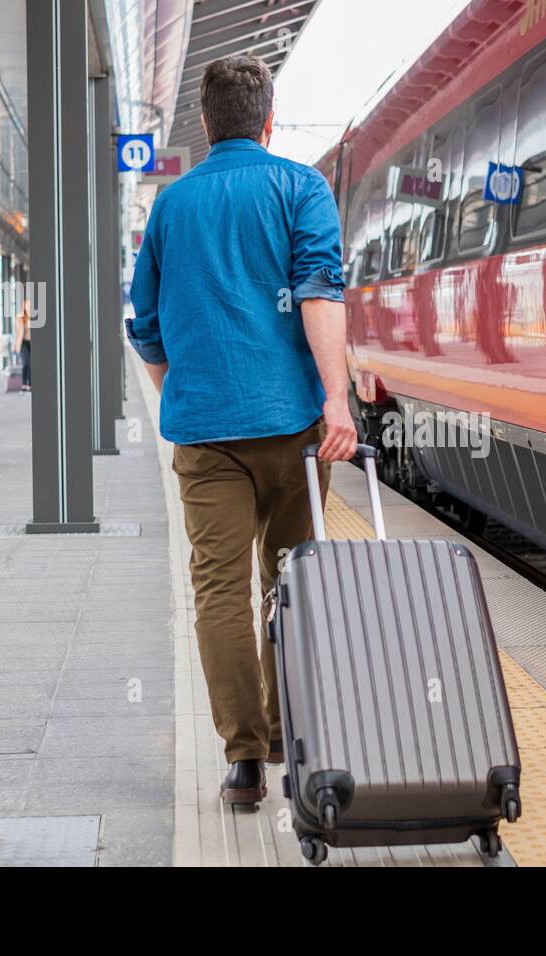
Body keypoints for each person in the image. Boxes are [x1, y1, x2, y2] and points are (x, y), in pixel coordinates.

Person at [125, 55, 355, 806]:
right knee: (290, 582)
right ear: (268, 118)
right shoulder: (301, 188)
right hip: (295, 428)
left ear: (204, 123)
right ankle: (291, 734)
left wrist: (182, 397)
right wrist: (338, 401)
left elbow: (146, 327)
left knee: (220, 590)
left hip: (208, 436)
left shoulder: (170, 206)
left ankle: (246, 762)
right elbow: (319, 296)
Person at [13, 299, 32, 391]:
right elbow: (18, 333)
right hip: (23, 343)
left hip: (32, 343)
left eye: (31, 306)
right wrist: (15, 347)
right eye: (28, 305)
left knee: (32, 364)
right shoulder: (20, 317)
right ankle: (24, 384)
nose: (29, 308)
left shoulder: (35, 317)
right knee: (26, 363)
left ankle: (31, 384)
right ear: (24, 306)